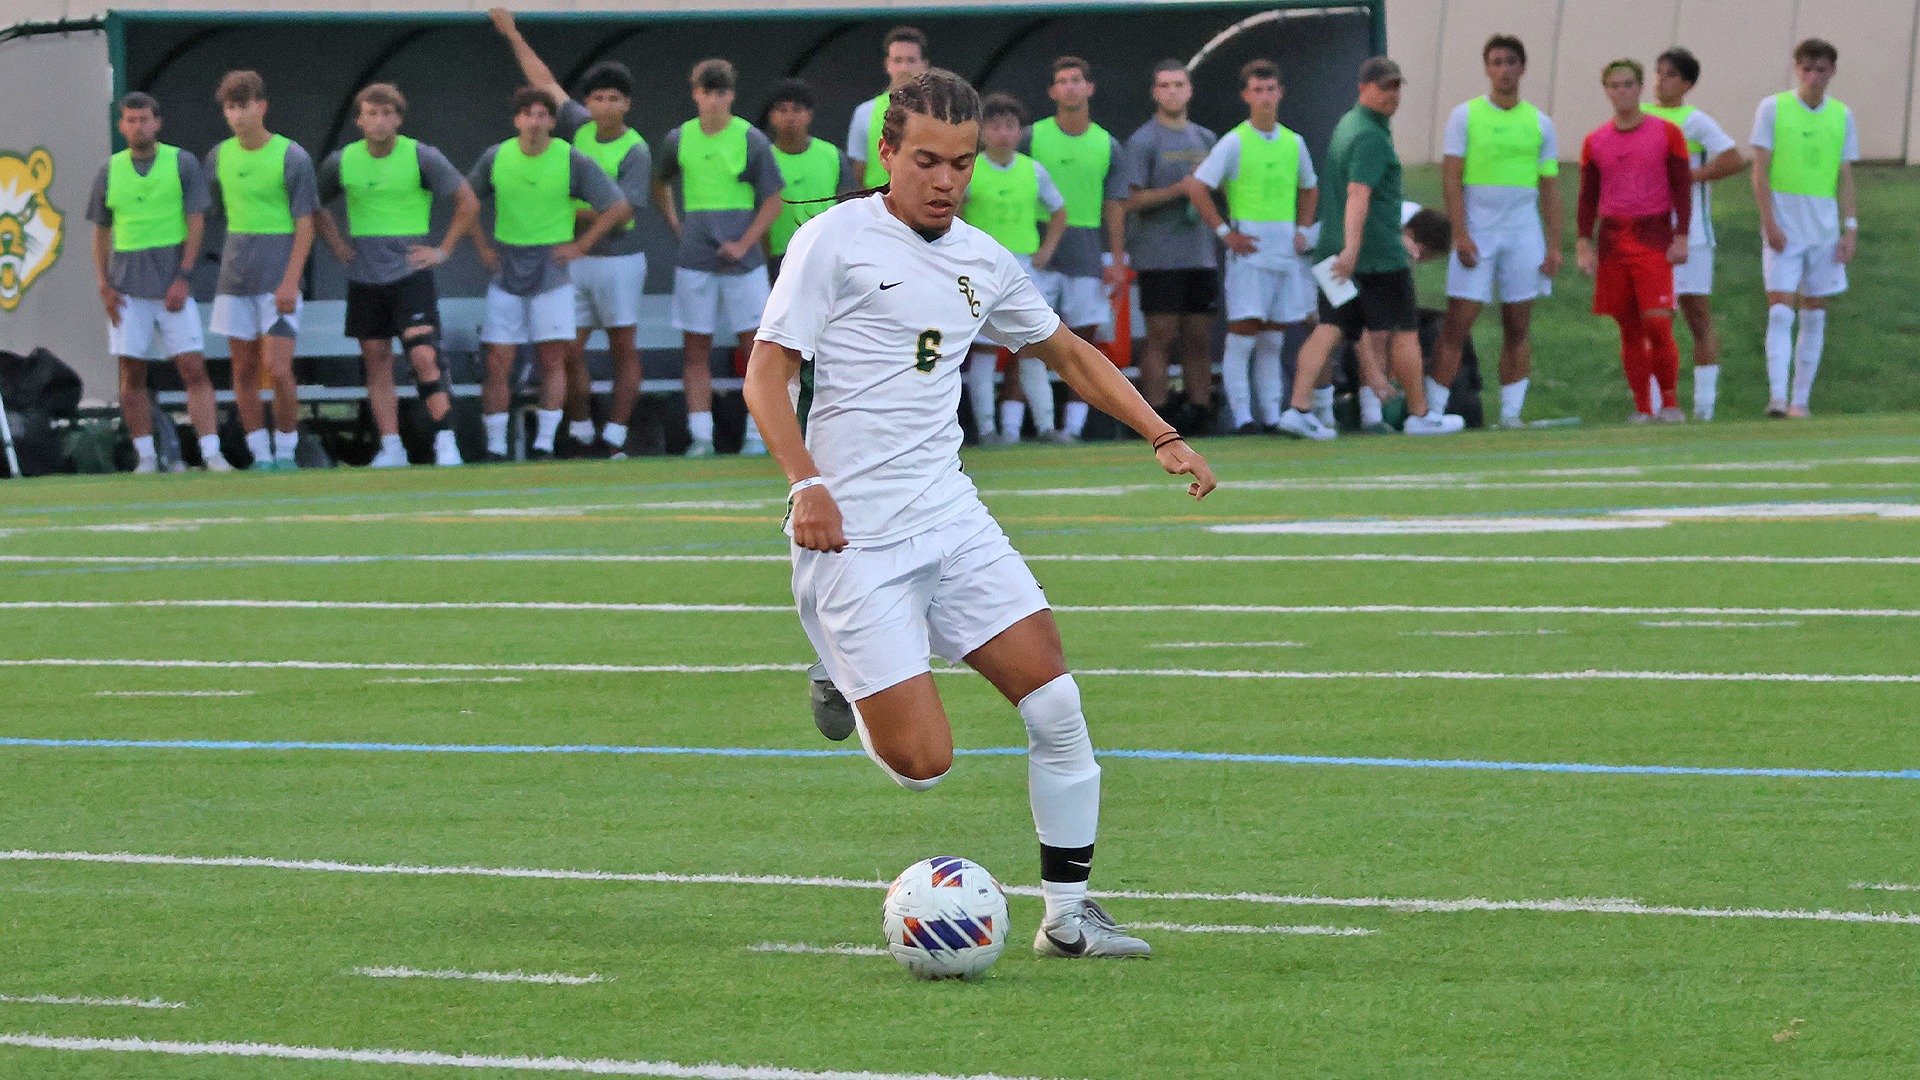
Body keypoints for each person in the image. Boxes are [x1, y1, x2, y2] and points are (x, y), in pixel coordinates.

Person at [742, 68, 1215, 960]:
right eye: (926, 160)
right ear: (887, 153)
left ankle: (1069, 920)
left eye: (960, 163)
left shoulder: (983, 259)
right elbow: (767, 372)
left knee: (1058, 705)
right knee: (925, 768)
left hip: (951, 518)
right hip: (853, 536)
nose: (946, 179)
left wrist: (1162, 434)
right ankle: (836, 667)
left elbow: (1068, 352)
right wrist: (807, 483)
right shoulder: (831, 240)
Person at [489, 10, 654, 459]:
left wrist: (562, 214)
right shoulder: (578, 127)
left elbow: (622, 212)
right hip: (574, 261)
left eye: (613, 98)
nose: (604, 105)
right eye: (597, 98)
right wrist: (513, 34)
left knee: (623, 346)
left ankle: (615, 436)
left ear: (627, 105)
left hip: (618, 258)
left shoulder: (635, 148)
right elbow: (543, 81)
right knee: (566, 349)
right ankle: (580, 429)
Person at [1286, 57, 1462, 438]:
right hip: (1374, 255)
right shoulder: (1368, 135)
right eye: (1384, 86)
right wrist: (1352, 249)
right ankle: (1418, 414)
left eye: (1397, 86)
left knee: (1330, 328)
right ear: (1363, 87)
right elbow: (1358, 194)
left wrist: (1343, 249)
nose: (1392, 94)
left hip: (1336, 249)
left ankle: (1298, 408)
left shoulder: (1350, 124)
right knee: (1403, 330)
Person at [315, 83, 478, 468]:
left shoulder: (422, 156)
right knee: (375, 358)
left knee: (423, 355)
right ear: (359, 120)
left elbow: (467, 200)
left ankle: (445, 439)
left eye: (387, 113)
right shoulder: (341, 161)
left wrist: (443, 250)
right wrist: (338, 245)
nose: (379, 121)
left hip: (410, 273)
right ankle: (391, 446)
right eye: (371, 113)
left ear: (398, 119)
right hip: (365, 277)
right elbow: (314, 206)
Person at [467, 86, 631, 461]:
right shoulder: (497, 157)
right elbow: (466, 200)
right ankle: (495, 447)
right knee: (498, 359)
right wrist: (481, 246)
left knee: (552, 358)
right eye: (527, 114)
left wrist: (580, 245)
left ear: (552, 122)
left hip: (552, 270)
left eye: (542, 115)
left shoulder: (570, 158)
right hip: (507, 266)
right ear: (516, 120)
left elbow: (617, 205)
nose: (534, 122)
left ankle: (543, 443)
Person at [89, 92, 231, 474]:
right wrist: (104, 283)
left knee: (192, 368)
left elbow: (196, 221)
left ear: (158, 122)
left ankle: (211, 453)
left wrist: (184, 276)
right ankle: (146, 458)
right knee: (132, 373)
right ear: (122, 126)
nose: (138, 127)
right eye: (131, 120)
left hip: (171, 286)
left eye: (144, 119)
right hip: (126, 289)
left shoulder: (180, 163)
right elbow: (101, 231)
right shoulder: (110, 170)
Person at [654, 58, 786, 457]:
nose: (713, 100)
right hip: (696, 260)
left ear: (731, 95)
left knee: (756, 349)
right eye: (706, 92)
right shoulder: (680, 138)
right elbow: (659, 183)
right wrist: (680, 228)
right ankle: (701, 438)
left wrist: (745, 244)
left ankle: (755, 435)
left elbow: (774, 199)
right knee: (696, 348)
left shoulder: (751, 138)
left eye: (721, 92)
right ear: (695, 94)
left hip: (743, 262)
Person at [1180, 59, 1318, 436]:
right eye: (1257, 90)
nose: (1265, 97)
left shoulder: (1294, 141)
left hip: (1283, 252)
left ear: (1280, 93)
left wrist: (1303, 229)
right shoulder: (1235, 141)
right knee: (1243, 334)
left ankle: (1272, 416)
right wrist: (1226, 232)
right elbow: (1197, 187)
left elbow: (1309, 186)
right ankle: (1242, 418)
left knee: (1273, 339)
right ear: (1246, 96)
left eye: (1270, 89)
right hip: (1250, 252)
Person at [1434, 35, 1563, 429]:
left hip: (1523, 231)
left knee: (1518, 324)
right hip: (1479, 230)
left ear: (1522, 68)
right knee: (1458, 323)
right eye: (1496, 62)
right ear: (1487, 68)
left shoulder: (1540, 123)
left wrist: (1554, 246)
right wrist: (1461, 232)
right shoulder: (1465, 115)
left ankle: (1511, 414)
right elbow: (1452, 178)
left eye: (1511, 62)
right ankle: (1432, 412)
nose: (1504, 69)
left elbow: (1550, 188)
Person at [204, 70, 318, 470]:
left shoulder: (292, 156)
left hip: (278, 279)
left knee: (278, 368)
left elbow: (306, 223)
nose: (236, 115)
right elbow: (206, 211)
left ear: (262, 107)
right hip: (234, 279)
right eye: (229, 108)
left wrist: (290, 281)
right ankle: (260, 454)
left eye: (243, 105)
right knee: (243, 367)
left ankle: (286, 451)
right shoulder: (218, 156)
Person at [1576, 60, 1693, 423]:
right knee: (1628, 327)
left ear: (1640, 88)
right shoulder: (1595, 141)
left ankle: (1670, 402)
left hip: (1653, 234)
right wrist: (1584, 241)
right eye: (1614, 85)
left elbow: (1681, 185)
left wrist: (1682, 234)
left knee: (1658, 322)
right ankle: (1643, 406)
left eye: (1628, 84)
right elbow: (1587, 196)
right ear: (1606, 90)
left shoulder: (1667, 133)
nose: (1621, 91)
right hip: (1614, 238)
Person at [1020, 56, 1129, 442]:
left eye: (1076, 80)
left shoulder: (1107, 144)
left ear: (1089, 88)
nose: (1069, 86)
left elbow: (1115, 204)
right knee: (1030, 339)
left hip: (1085, 249)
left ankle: (1074, 429)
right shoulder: (1031, 137)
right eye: (1062, 80)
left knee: (1081, 343)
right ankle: (1029, 427)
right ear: (1052, 91)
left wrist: (1115, 260)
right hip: (1036, 247)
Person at [1751, 38, 1857, 419]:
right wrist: (1769, 221)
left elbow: (1844, 174)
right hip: (1784, 223)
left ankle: (1800, 402)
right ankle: (1777, 397)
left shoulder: (1841, 115)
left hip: (1823, 227)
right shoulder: (1773, 108)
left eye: (1821, 69)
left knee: (1815, 311)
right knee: (1780, 311)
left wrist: (1850, 229)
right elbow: (1760, 167)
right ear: (1797, 69)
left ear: (1832, 71)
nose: (1813, 76)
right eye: (1807, 68)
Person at [960, 92, 1067, 444]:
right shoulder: (970, 168)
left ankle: (1047, 426)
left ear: (1020, 132)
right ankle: (989, 429)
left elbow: (1058, 211)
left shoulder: (1033, 169)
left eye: (1010, 125)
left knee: (1035, 346)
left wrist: (1047, 250)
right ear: (981, 132)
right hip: (980, 269)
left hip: (1023, 269)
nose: (1003, 133)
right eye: (995, 125)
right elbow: (955, 212)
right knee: (985, 351)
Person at [1645, 47, 1744, 421]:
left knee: (1697, 316)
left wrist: (1690, 177)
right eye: (1657, 72)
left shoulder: (1696, 121)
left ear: (1686, 83)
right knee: (1656, 319)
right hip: (1650, 234)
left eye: (1669, 74)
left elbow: (1733, 159)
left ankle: (1705, 406)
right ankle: (1657, 405)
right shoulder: (1640, 118)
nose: (1660, 81)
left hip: (1693, 235)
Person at [1122, 60, 1219, 433]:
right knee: (1160, 336)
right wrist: (1180, 190)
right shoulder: (1145, 140)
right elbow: (1130, 200)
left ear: (1190, 89)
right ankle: (1156, 415)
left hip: (1201, 253)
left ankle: (1200, 409)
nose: (1172, 91)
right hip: (1159, 255)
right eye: (1164, 85)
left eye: (1179, 84)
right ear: (1155, 92)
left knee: (1199, 336)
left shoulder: (1206, 139)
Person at [766, 78, 855, 282]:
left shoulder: (832, 155)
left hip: (826, 254)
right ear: (771, 116)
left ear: (809, 115)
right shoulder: (764, 158)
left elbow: (850, 207)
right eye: (782, 110)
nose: (790, 117)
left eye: (797, 110)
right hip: (778, 257)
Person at [847, 27, 931, 190]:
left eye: (911, 60)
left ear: (925, 65)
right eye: (897, 60)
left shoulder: (940, 111)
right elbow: (857, 174)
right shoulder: (865, 113)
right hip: (878, 205)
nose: (904, 68)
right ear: (887, 65)